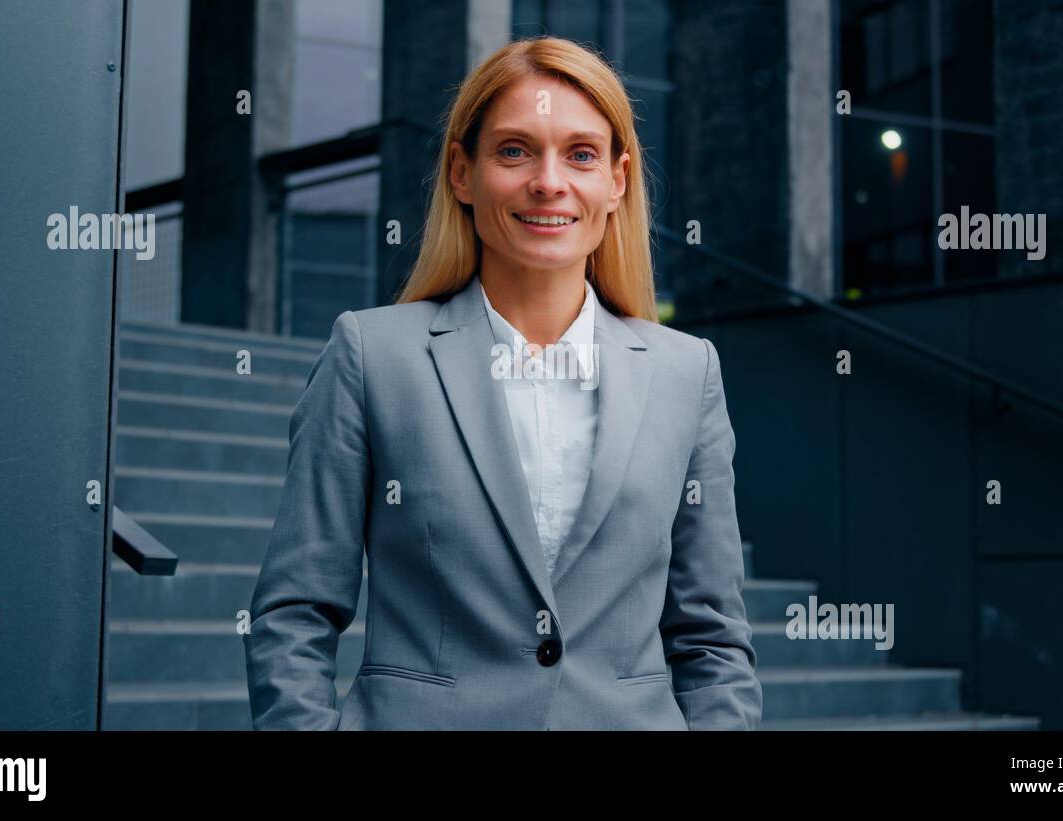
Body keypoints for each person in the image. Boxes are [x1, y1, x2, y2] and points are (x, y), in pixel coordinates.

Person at [244, 35, 762, 730]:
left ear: (617, 181)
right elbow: (295, 611)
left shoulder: (685, 372)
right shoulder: (372, 356)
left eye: (580, 154)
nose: (549, 181)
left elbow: (714, 639)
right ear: (462, 172)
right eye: (515, 150)